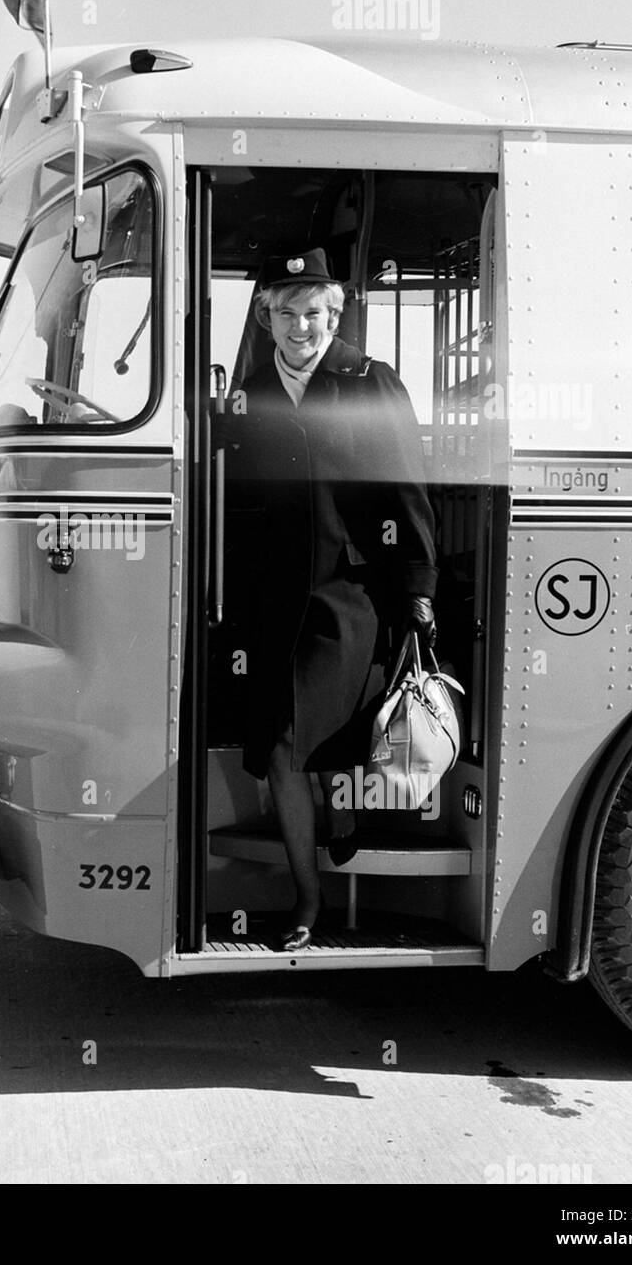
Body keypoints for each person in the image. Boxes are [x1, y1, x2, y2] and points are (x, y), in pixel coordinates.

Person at [222, 249, 437, 950]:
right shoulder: (251, 393)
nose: (300, 326)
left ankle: (342, 820)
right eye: (286, 312)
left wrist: (418, 590)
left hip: (349, 597)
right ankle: (308, 898)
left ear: (334, 313)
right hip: (269, 602)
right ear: (267, 316)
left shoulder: (370, 382)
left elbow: (405, 488)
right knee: (282, 749)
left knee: (330, 738)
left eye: (313, 312)